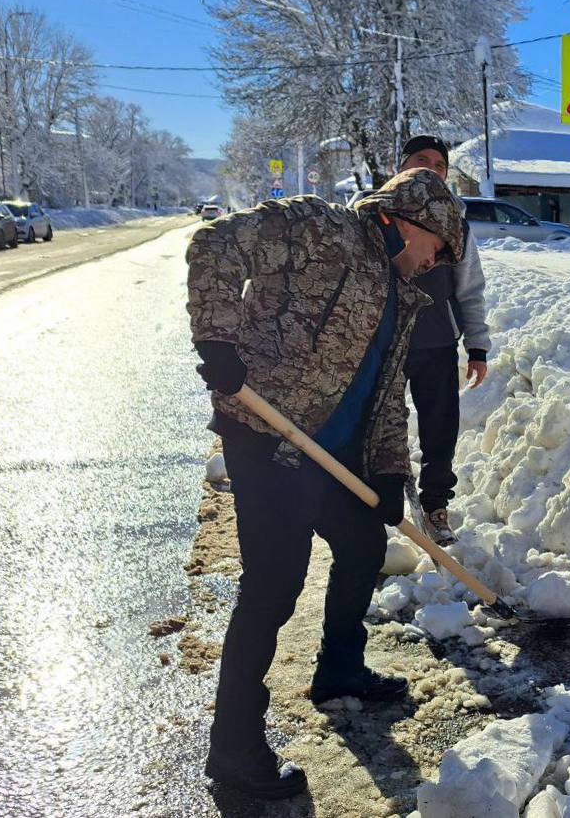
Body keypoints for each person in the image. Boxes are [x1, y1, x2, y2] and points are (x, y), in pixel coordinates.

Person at [185, 168, 465, 799]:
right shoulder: (321, 228)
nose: (434, 263)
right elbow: (216, 244)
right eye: (436, 248)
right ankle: (233, 748)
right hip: (267, 435)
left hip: (334, 453)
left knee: (364, 544)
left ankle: (339, 670)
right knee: (273, 585)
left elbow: (388, 396)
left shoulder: (403, 295)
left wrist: (392, 469)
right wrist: (217, 338)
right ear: (406, 220)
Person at [395, 135, 491, 544]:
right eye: (421, 160)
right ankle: (374, 498)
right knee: (379, 426)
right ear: (401, 166)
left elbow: (469, 289)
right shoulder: (375, 215)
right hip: (382, 343)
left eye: (439, 164)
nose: (432, 169)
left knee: (439, 429)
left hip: (435, 342)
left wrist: (477, 346)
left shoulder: (457, 225)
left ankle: (435, 505)